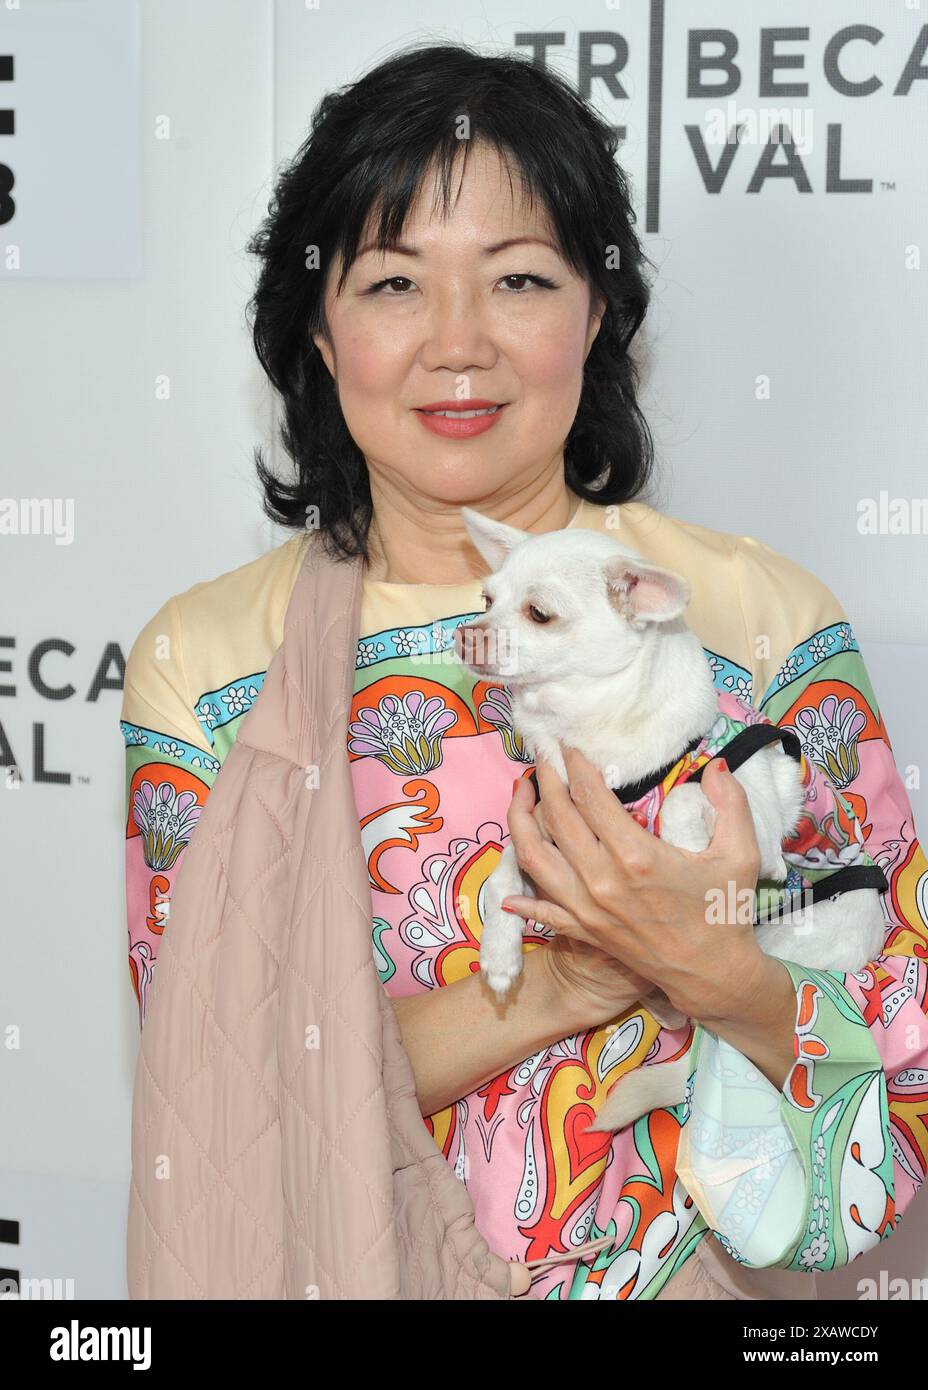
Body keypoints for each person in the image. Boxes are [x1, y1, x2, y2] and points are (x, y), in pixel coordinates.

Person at [120, 42, 928, 1301]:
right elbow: (222, 1110)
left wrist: (717, 966)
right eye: (393, 283)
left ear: (597, 312)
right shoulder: (215, 666)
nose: (458, 346)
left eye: (517, 279)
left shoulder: (759, 623)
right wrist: (576, 977)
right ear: (320, 332)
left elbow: (904, 1091)